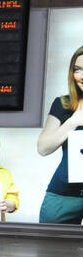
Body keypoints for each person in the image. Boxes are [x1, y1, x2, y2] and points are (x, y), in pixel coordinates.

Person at [37, 45, 83, 224]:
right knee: (49, 241)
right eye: (77, 69)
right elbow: (43, 148)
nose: (81, 76)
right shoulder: (63, 104)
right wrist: (73, 121)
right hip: (63, 195)